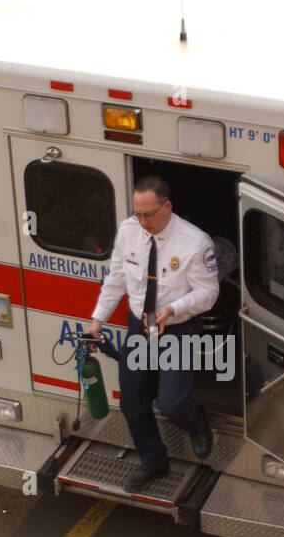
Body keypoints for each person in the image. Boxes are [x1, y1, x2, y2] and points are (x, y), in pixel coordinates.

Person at [88, 176, 219, 492]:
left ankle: (197, 424)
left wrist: (173, 309)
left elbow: (208, 293)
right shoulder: (128, 231)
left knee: (171, 404)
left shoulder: (195, 243)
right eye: (138, 214)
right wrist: (97, 320)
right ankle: (153, 462)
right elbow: (116, 278)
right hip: (139, 328)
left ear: (167, 207)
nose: (143, 222)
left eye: (149, 214)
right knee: (132, 403)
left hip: (178, 329)